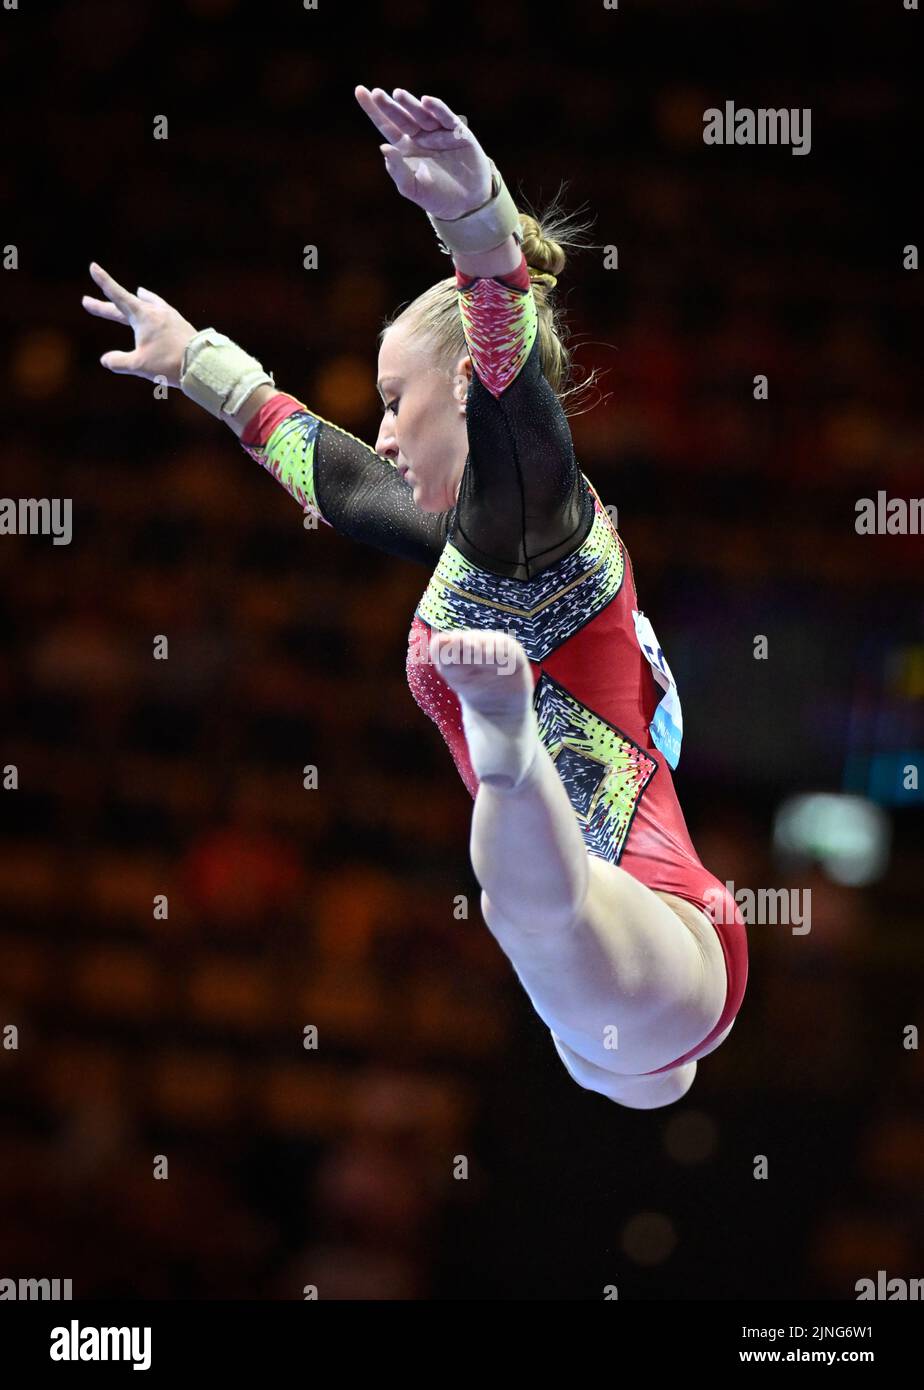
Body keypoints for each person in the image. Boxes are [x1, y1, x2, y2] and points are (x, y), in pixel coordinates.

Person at [81, 86, 747, 1109]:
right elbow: (346, 485)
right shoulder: (477, 541)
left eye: (397, 402)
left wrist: (477, 232)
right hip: (604, 1010)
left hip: (651, 930)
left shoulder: (542, 516)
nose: (385, 431)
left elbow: (514, 396)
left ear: (464, 390)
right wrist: (201, 366)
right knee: (596, 1020)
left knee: (529, 910)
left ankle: (508, 741)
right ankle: (511, 758)